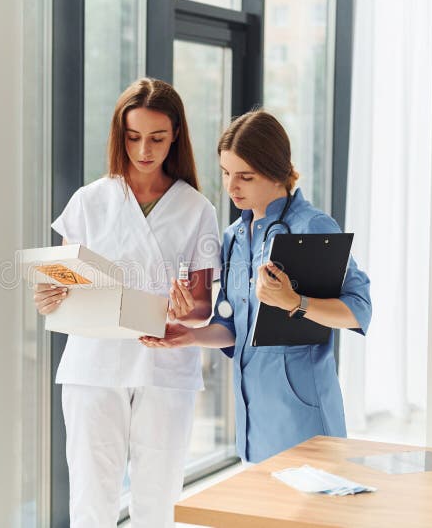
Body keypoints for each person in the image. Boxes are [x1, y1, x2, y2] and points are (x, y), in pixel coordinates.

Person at [33, 78, 220, 527]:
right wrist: (49, 296)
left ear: (175, 134)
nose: (144, 150)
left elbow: (202, 306)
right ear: (120, 136)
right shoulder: (90, 201)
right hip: (94, 365)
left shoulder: (197, 209)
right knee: (92, 498)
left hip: (164, 368)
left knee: (158, 500)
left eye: (156, 138)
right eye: (133, 138)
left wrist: (183, 309)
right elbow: (63, 287)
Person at [141, 110, 372, 463]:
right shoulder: (234, 237)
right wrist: (188, 336)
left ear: (276, 170)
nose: (231, 187)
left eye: (245, 177)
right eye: (226, 174)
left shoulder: (312, 226)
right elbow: (233, 326)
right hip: (251, 419)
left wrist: (295, 301)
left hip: (302, 417)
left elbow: (359, 309)